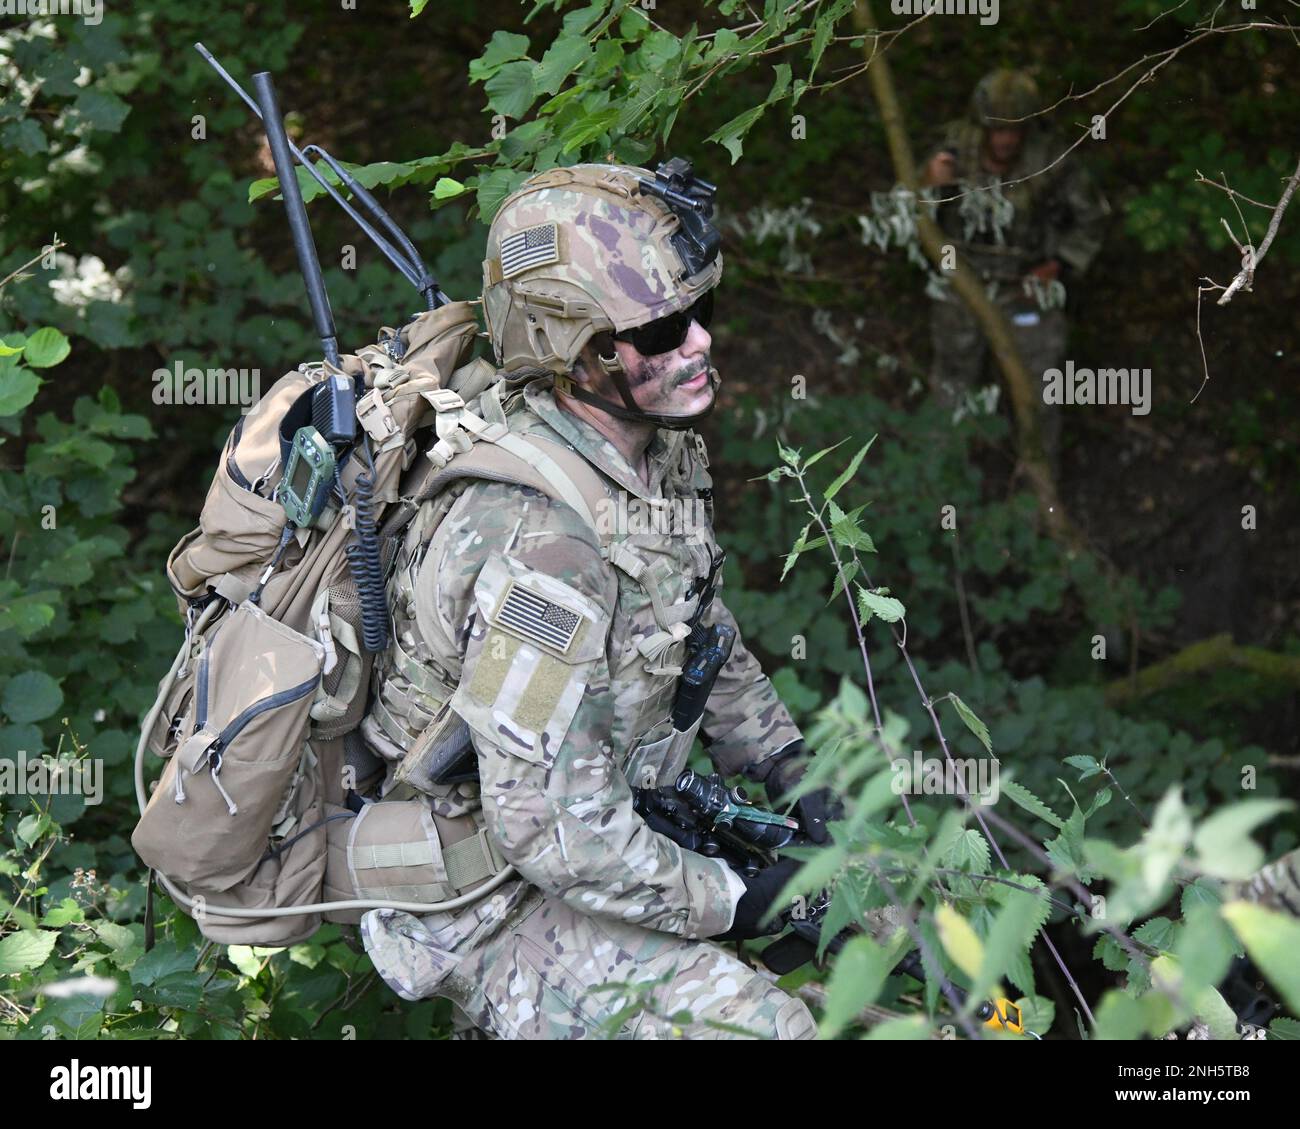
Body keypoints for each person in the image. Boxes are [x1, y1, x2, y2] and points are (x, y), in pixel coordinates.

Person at [356, 160, 839, 1040]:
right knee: (765, 1030)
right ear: (574, 352)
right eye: (660, 329)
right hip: (489, 893)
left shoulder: (646, 448)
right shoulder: (543, 550)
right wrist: (738, 899)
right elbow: (544, 823)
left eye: (702, 314)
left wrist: (794, 772)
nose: (697, 344)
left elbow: (697, 628)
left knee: (878, 913)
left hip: (613, 820)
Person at [921, 69, 1110, 464]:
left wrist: (1058, 265)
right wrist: (929, 184)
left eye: (1015, 129)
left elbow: (1093, 218)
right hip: (963, 283)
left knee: (1040, 392)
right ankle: (937, 489)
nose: (1005, 139)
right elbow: (906, 215)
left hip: (1027, 288)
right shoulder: (955, 149)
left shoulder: (1051, 159)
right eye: (996, 129)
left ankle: (1037, 497)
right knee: (952, 387)